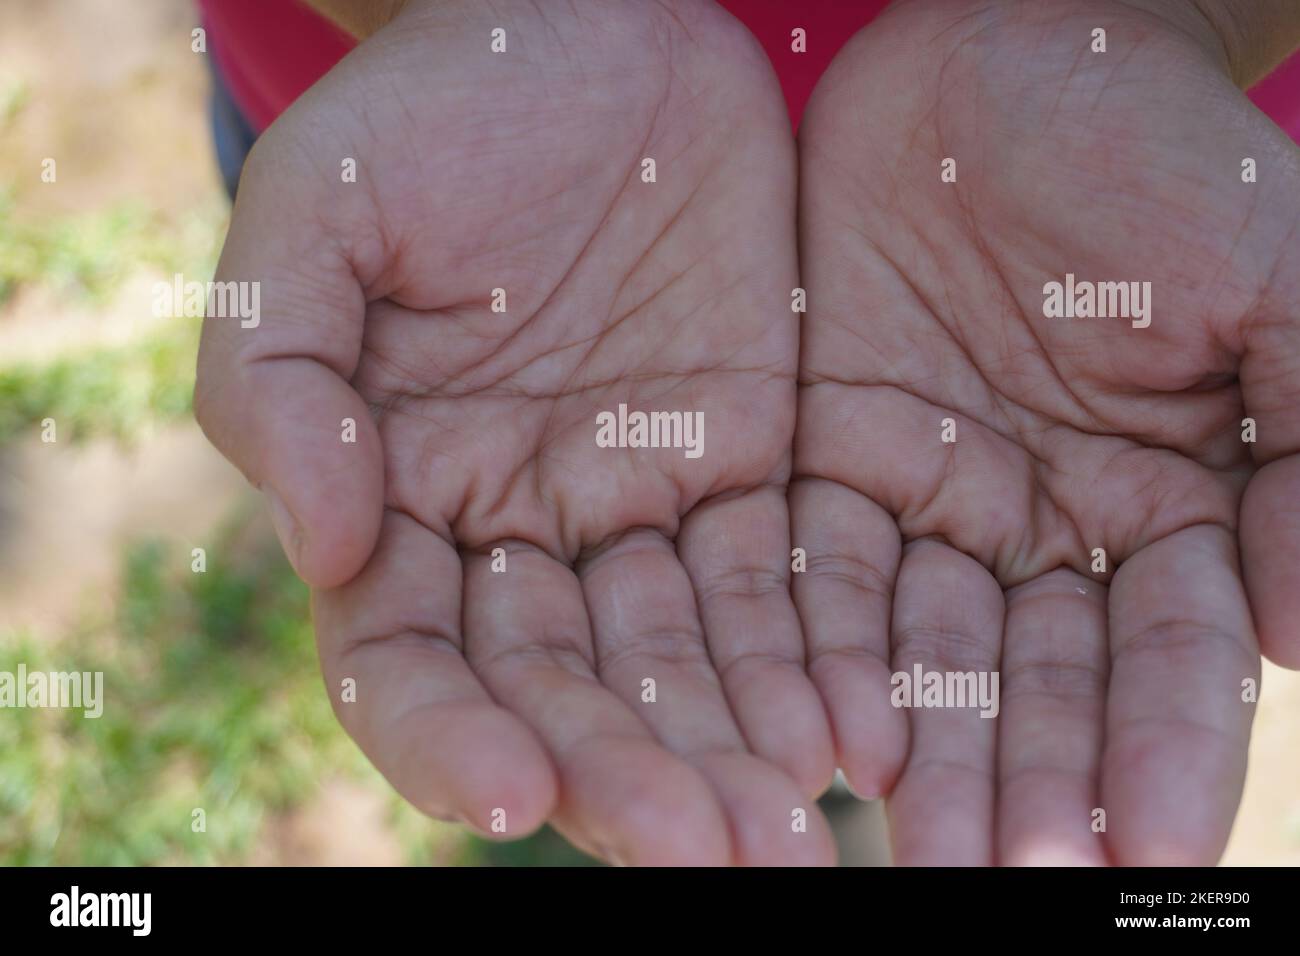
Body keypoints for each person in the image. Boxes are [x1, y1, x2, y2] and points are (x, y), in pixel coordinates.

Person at [194, 0, 1300, 866]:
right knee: (706, 653)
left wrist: (1177, 15)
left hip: (1140, 179)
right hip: (442, 170)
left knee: (811, 666)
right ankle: (775, 768)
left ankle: (802, 768)